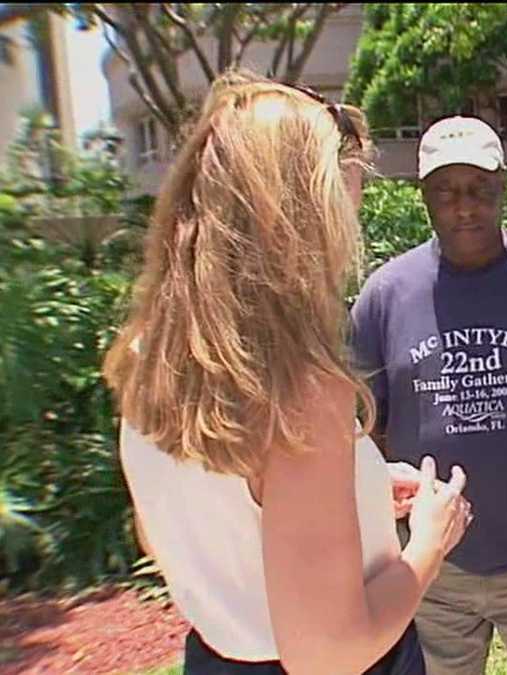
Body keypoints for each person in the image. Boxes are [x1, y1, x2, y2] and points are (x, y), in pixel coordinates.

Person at [103, 70, 472, 675]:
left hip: (215, 655)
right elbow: (329, 655)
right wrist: (429, 542)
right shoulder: (299, 392)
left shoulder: (152, 355)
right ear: (301, 224)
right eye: (341, 213)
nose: (345, 245)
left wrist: (350, 496)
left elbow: (190, 527)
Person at [349, 116, 507, 675]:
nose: (465, 207)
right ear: (423, 196)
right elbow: (367, 428)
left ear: (504, 186)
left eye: (479, 190)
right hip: (432, 569)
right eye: (446, 191)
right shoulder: (386, 295)